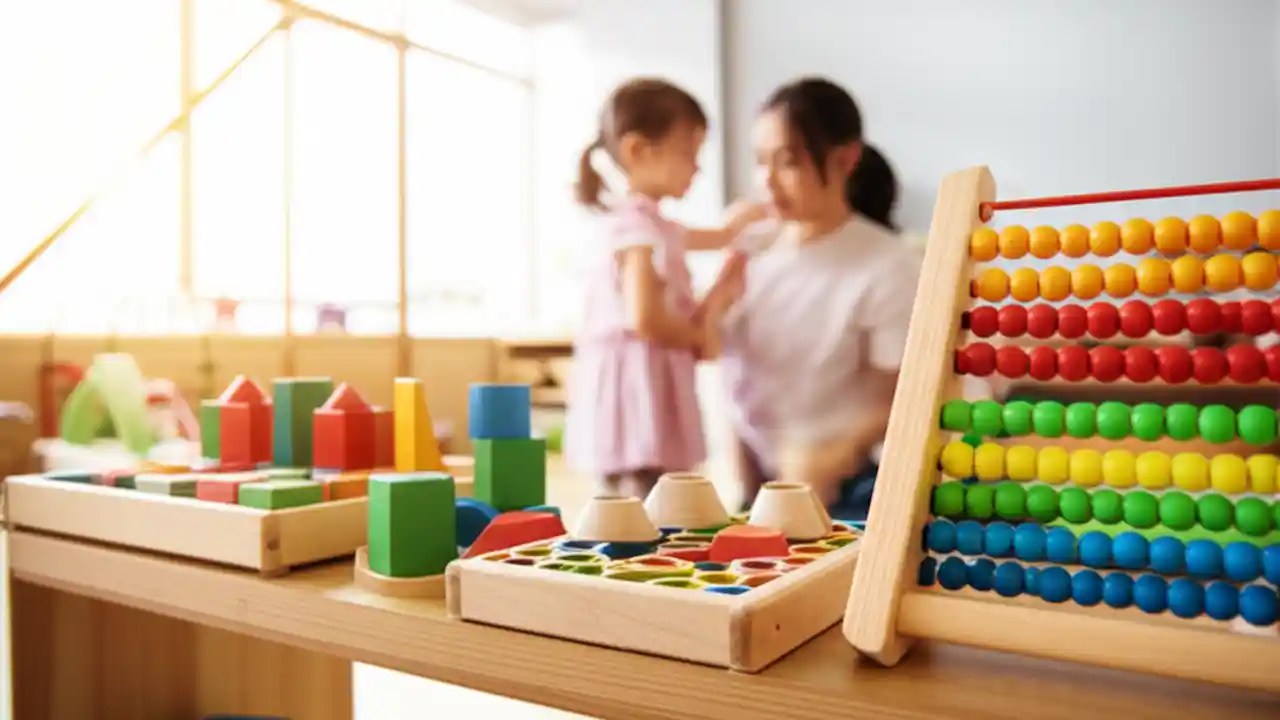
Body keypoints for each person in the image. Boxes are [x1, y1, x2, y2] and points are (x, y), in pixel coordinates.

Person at [710, 77, 920, 521]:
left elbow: (900, 397)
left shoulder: (887, 264)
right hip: (761, 485)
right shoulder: (750, 249)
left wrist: (833, 456)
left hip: (845, 488)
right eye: (760, 161)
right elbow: (727, 369)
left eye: (788, 162)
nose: (768, 181)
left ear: (846, 158)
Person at [564, 77, 765, 499]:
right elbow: (645, 318)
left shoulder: (654, 224)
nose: (697, 168)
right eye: (689, 153)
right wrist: (699, 335)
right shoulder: (635, 228)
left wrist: (740, 226)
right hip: (637, 391)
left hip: (650, 381)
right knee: (639, 497)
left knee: (650, 494)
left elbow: (712, 237)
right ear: (638, 150)